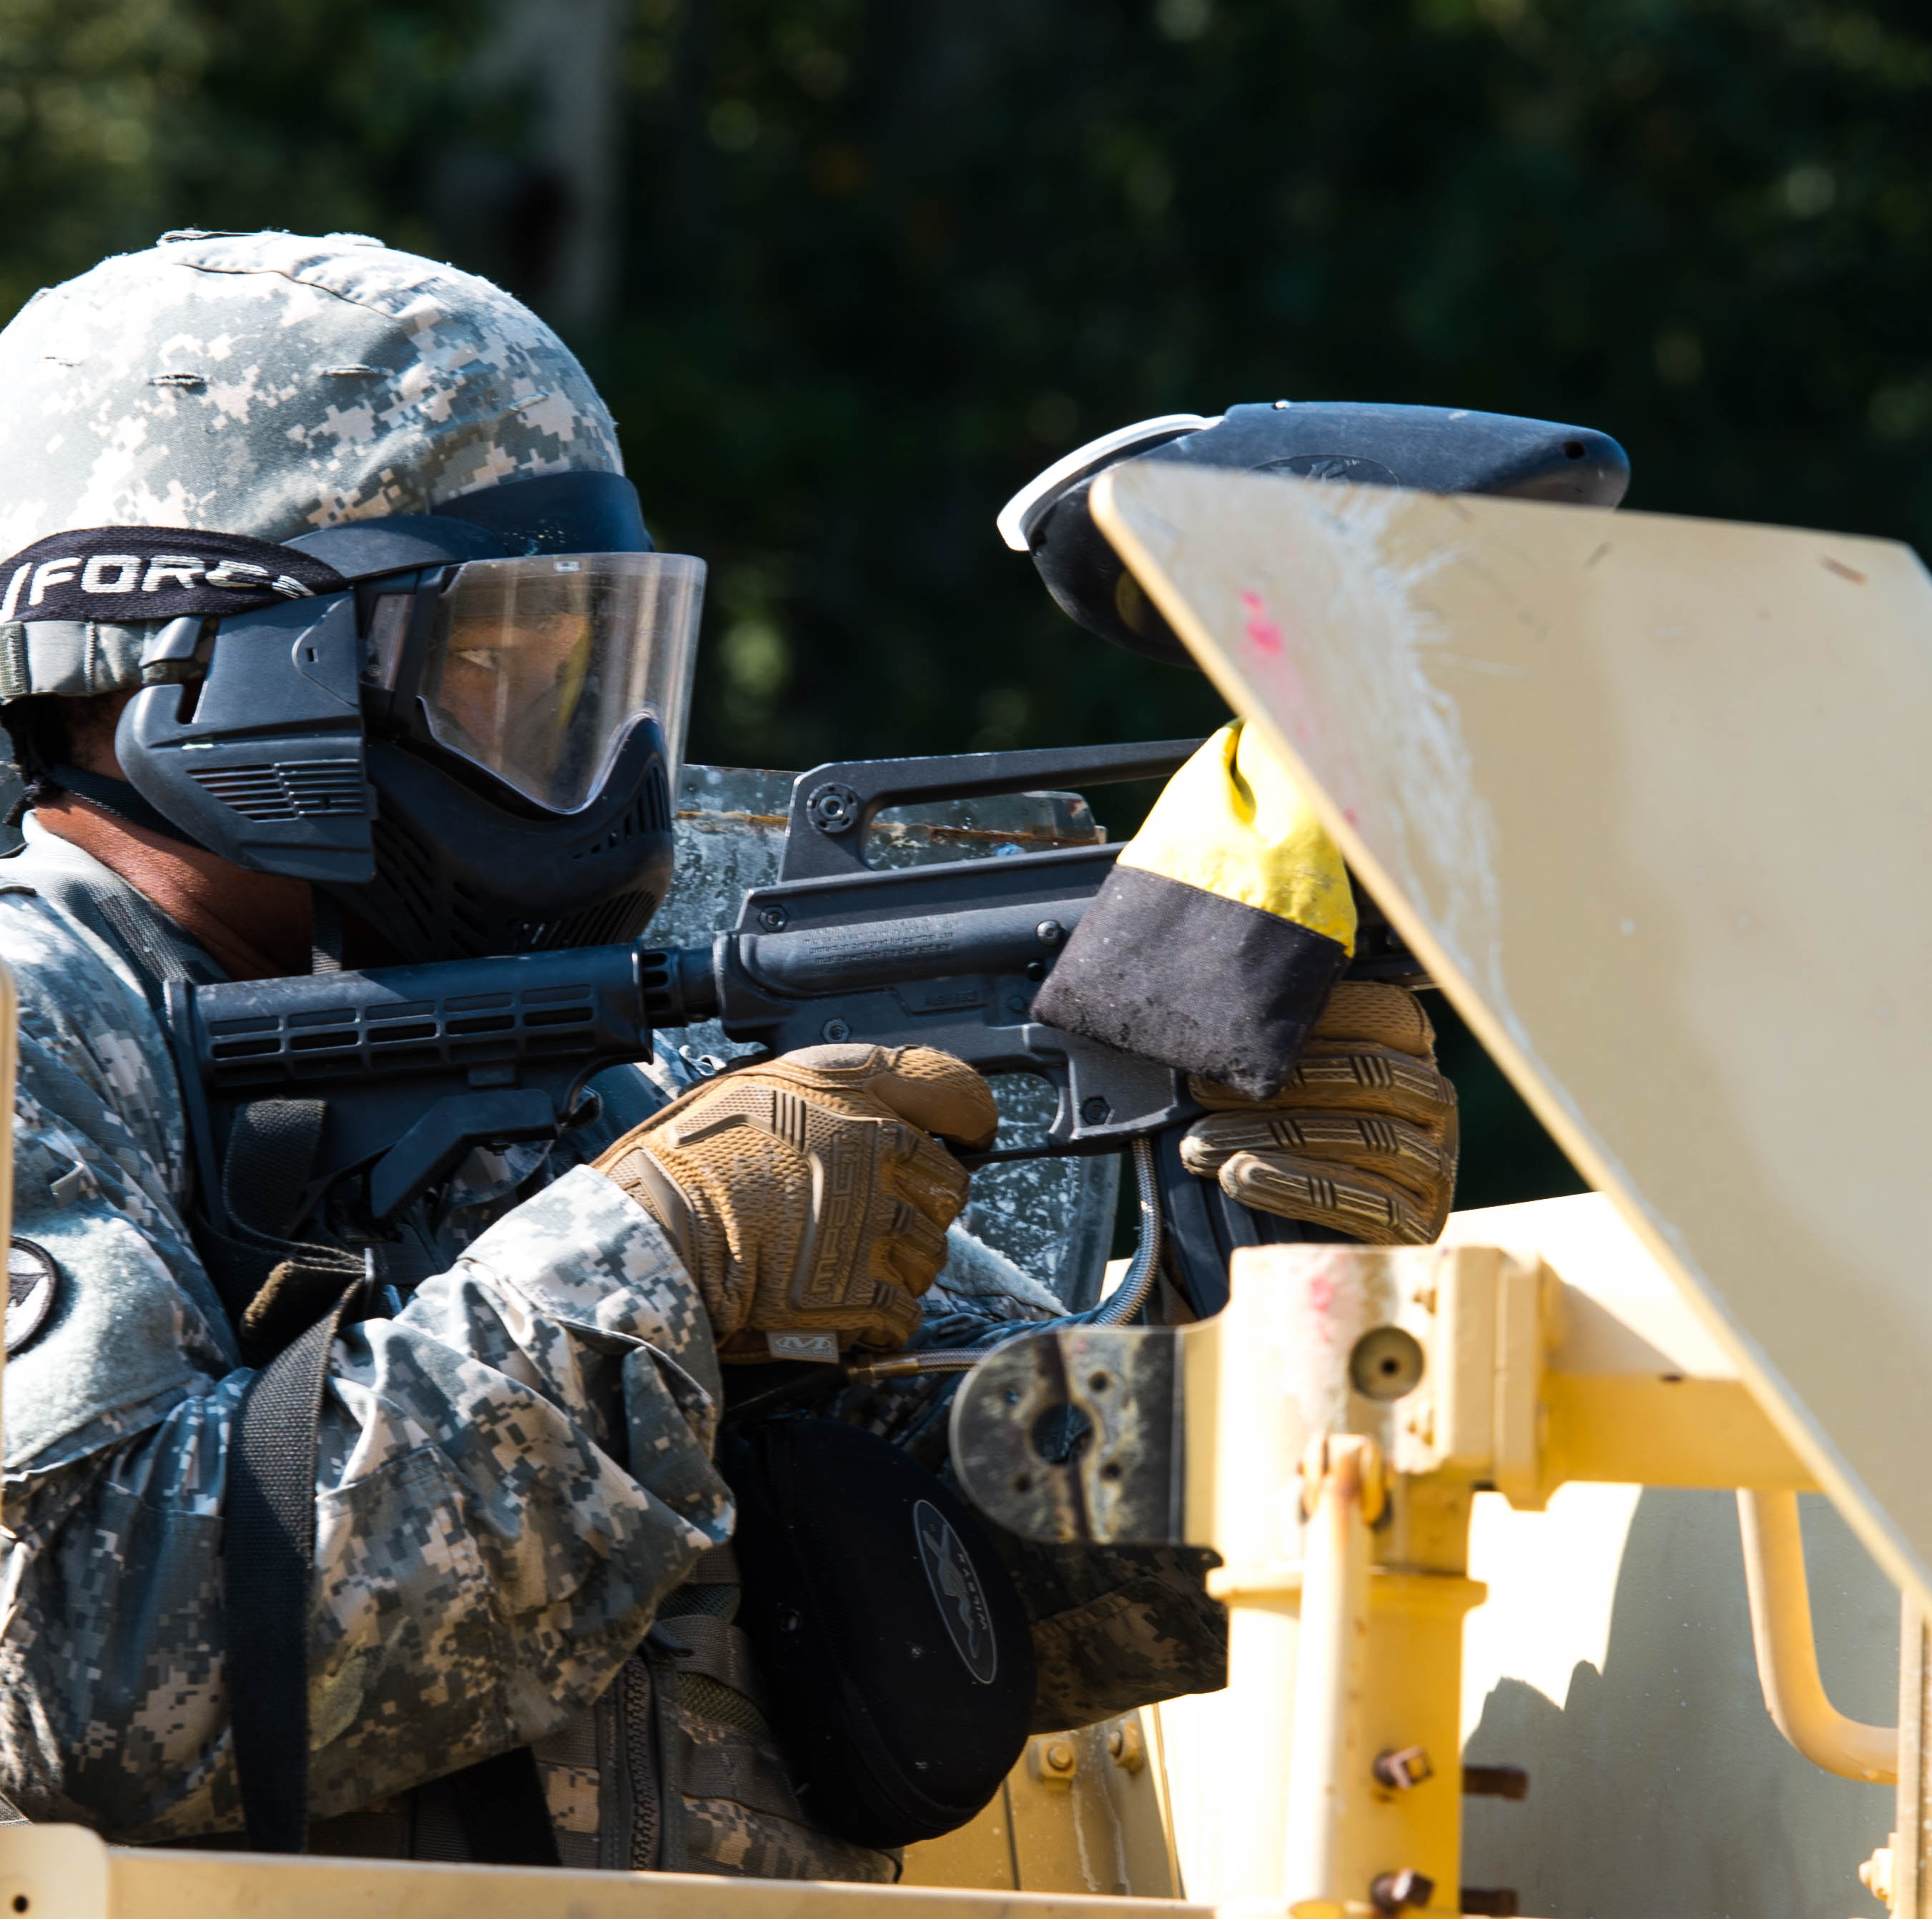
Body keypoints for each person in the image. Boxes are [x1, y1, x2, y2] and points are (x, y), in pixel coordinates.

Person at [0, 232, 1459, 1874]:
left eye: (594, 668)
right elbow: (83, 1672)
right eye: (499, 674)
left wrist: (1265, 1301)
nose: (577, 754)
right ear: (208, 684)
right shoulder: (32, 1020)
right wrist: (655, 1265)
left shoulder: (581, 1091)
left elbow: (1021, 1585)